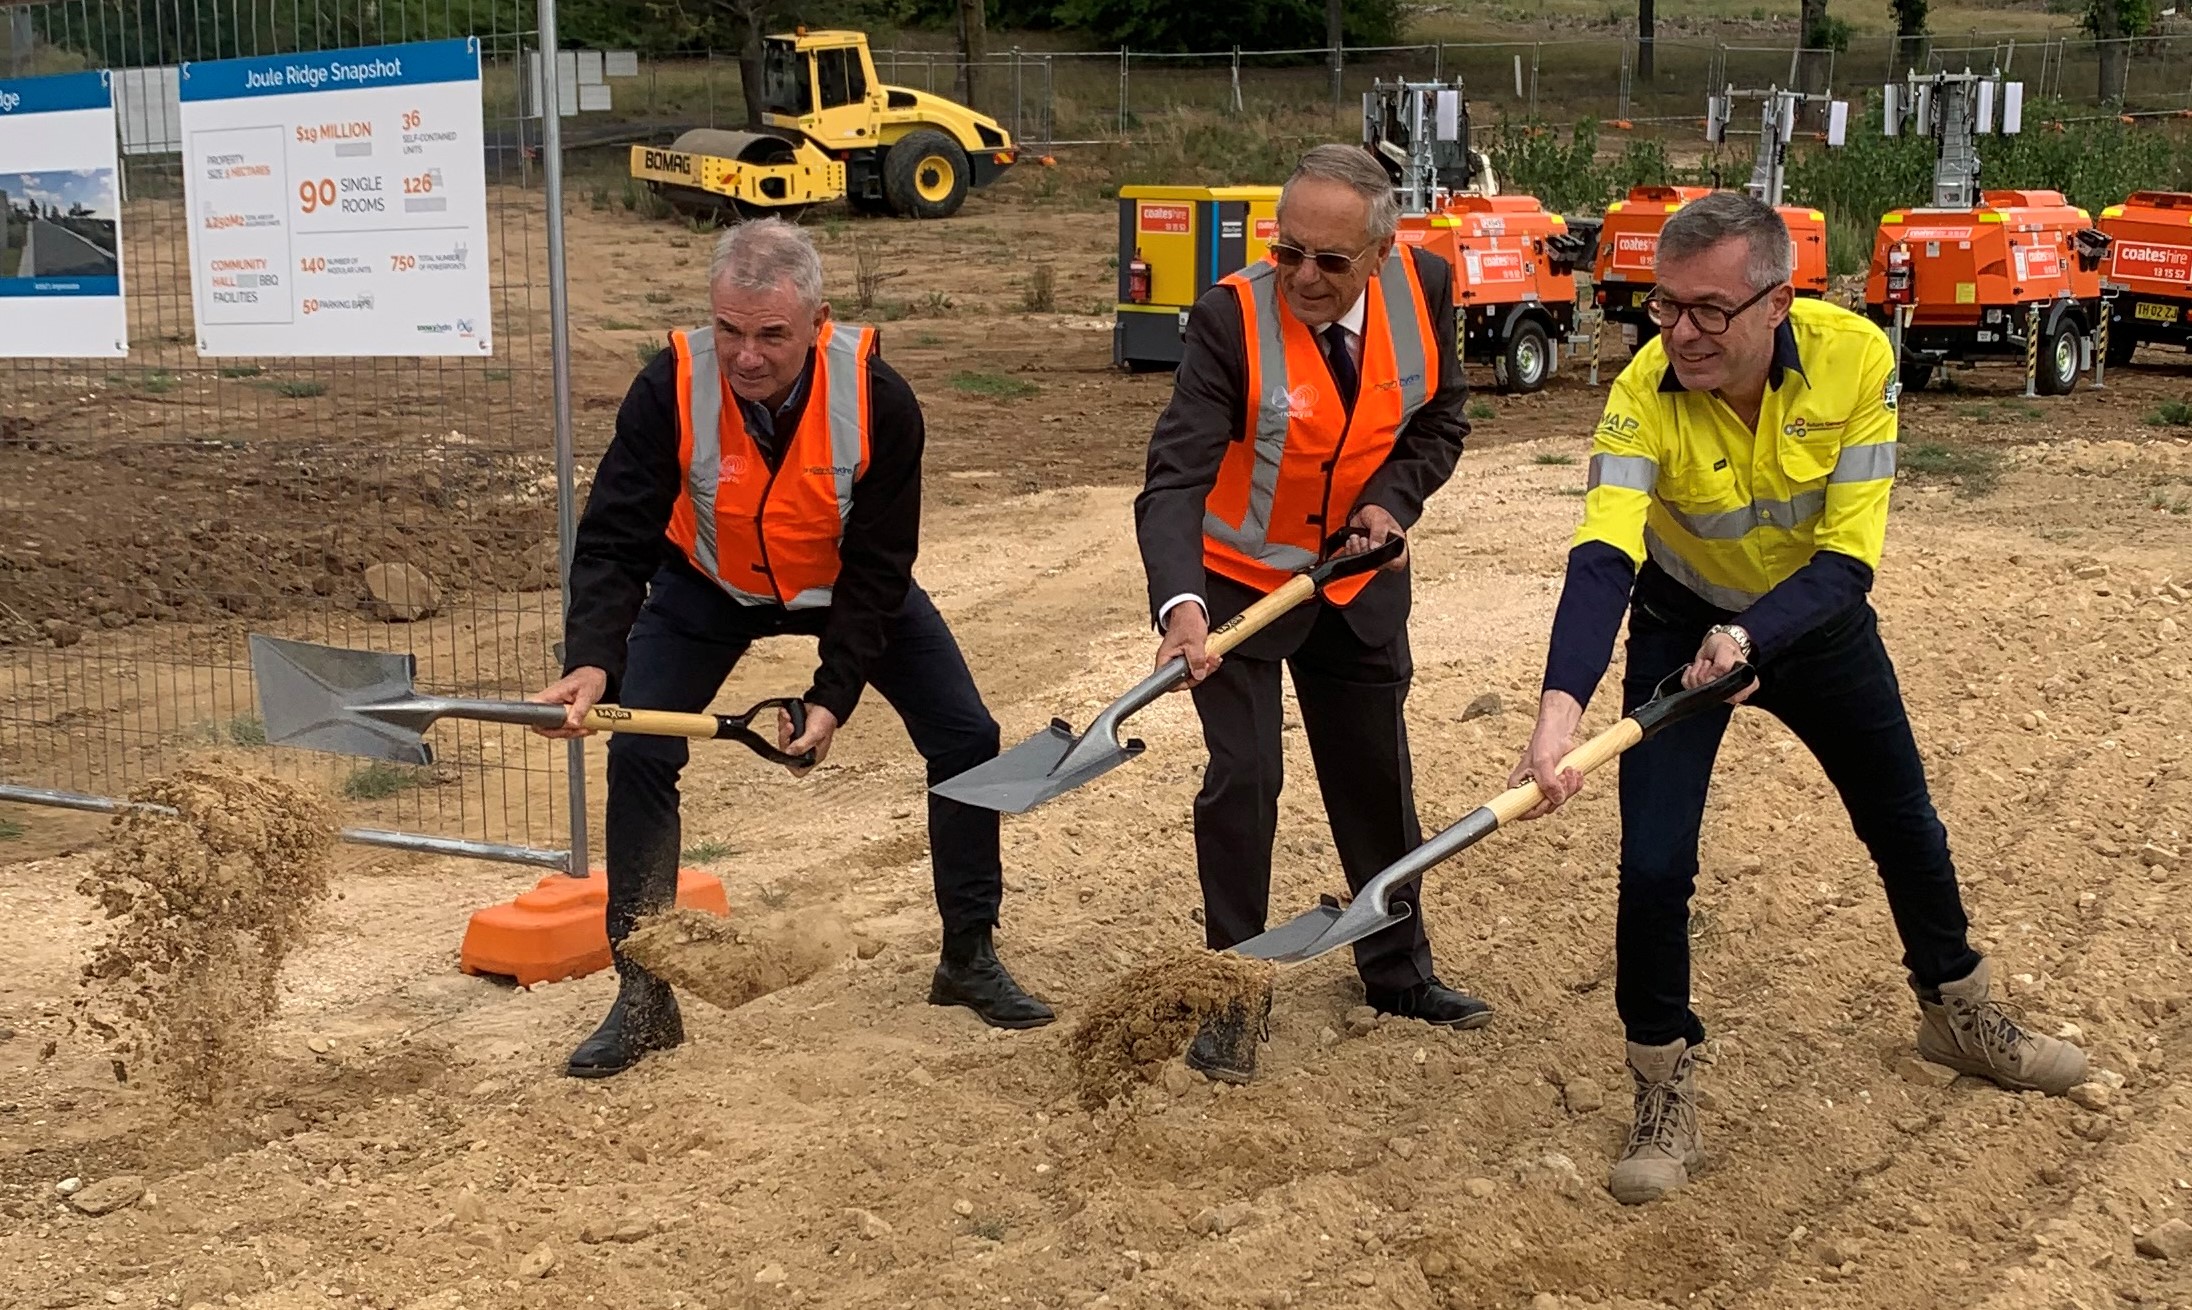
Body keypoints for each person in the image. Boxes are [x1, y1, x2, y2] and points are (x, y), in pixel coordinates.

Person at [1508, 190, 2088, 1204]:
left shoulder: (1856, 358)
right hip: (1681, 619)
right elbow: (1601, 551)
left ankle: (1955, 1012)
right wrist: (1559, 708)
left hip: (1812, 621)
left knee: (1902, 820)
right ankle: (1658, 1076)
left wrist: (1752, 635)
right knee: (1650, 863)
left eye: (1706, 309)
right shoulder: (1643, 388)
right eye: (1663, 305)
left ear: (1776, 301)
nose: (1679, 330)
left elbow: (1847, 555)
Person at [529, 217, 1052, 1079]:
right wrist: (592, 656)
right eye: (728, 330)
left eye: (771, 334)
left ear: (819, 321)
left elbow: (883, 566)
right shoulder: (670, 386)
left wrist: (832, 693)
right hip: (710, 585)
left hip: (846, 586)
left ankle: (968, 957)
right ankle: (644, 995)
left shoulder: (881, 400)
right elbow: (617, 536)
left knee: (966, 736)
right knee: (641, 749)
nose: (745, 356)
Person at [1133, 143, 1493, 1085]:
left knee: (1376, 778)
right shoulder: (1228, 319)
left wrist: (1393, 503)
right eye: (1287, 249)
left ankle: (1398, 972)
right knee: (1244, 781)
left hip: (1358, 586)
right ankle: (1234, 996)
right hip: (1237, 590)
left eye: (1330, 261)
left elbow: (1440, 419)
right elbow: (1173, 478)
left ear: (1380, 251)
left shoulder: (1427, 286)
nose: (1302, 276)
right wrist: (1180, 605)